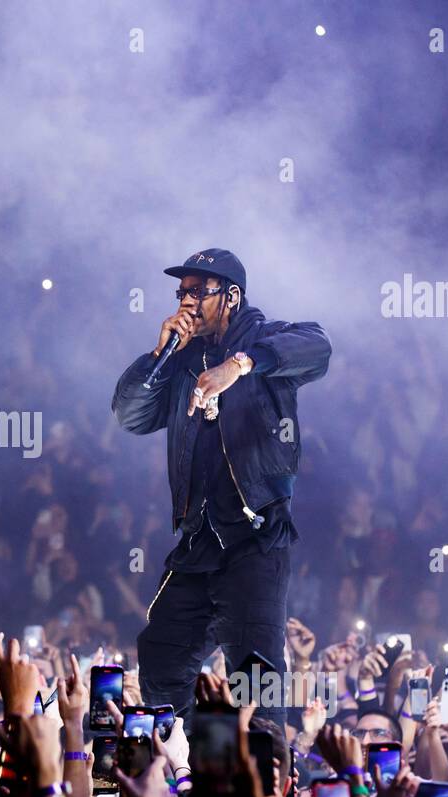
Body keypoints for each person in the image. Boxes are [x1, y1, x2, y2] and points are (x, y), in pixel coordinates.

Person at [112, 249, 331, 725]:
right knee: (161, 652)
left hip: (255, 538)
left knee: (256, 677)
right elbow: (129, 416)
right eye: (181, 293)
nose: (187, 302)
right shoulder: (181, 360)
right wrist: (159, 354)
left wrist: (241, 364)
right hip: (198, 541)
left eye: (198, 291)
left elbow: (318, 347)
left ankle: (267, 783)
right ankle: (182, 771)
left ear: (231, 295)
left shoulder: (265, 338)